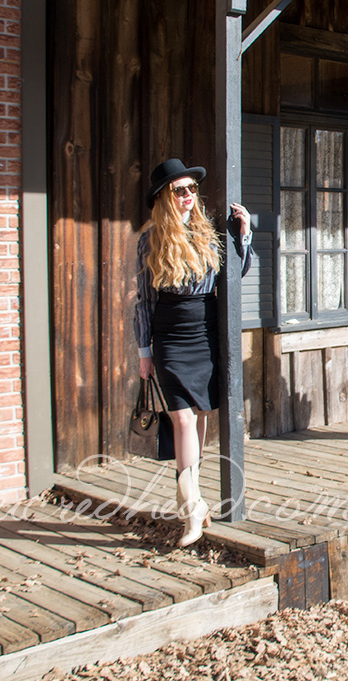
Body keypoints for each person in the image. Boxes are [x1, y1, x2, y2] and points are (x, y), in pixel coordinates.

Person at [134, 158, 252, 545]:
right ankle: (191, 508)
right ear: (164, 198)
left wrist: (244, 234)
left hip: (205, 329)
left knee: (200, 415)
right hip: (170, 333)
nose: (188, 196)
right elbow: (143, 300)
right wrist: (144, 351)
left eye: (191, 189)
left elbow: (238, 271)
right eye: (179, 191)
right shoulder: (150, 239)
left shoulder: (208, 232)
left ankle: (195, 497)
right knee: (182, 418)